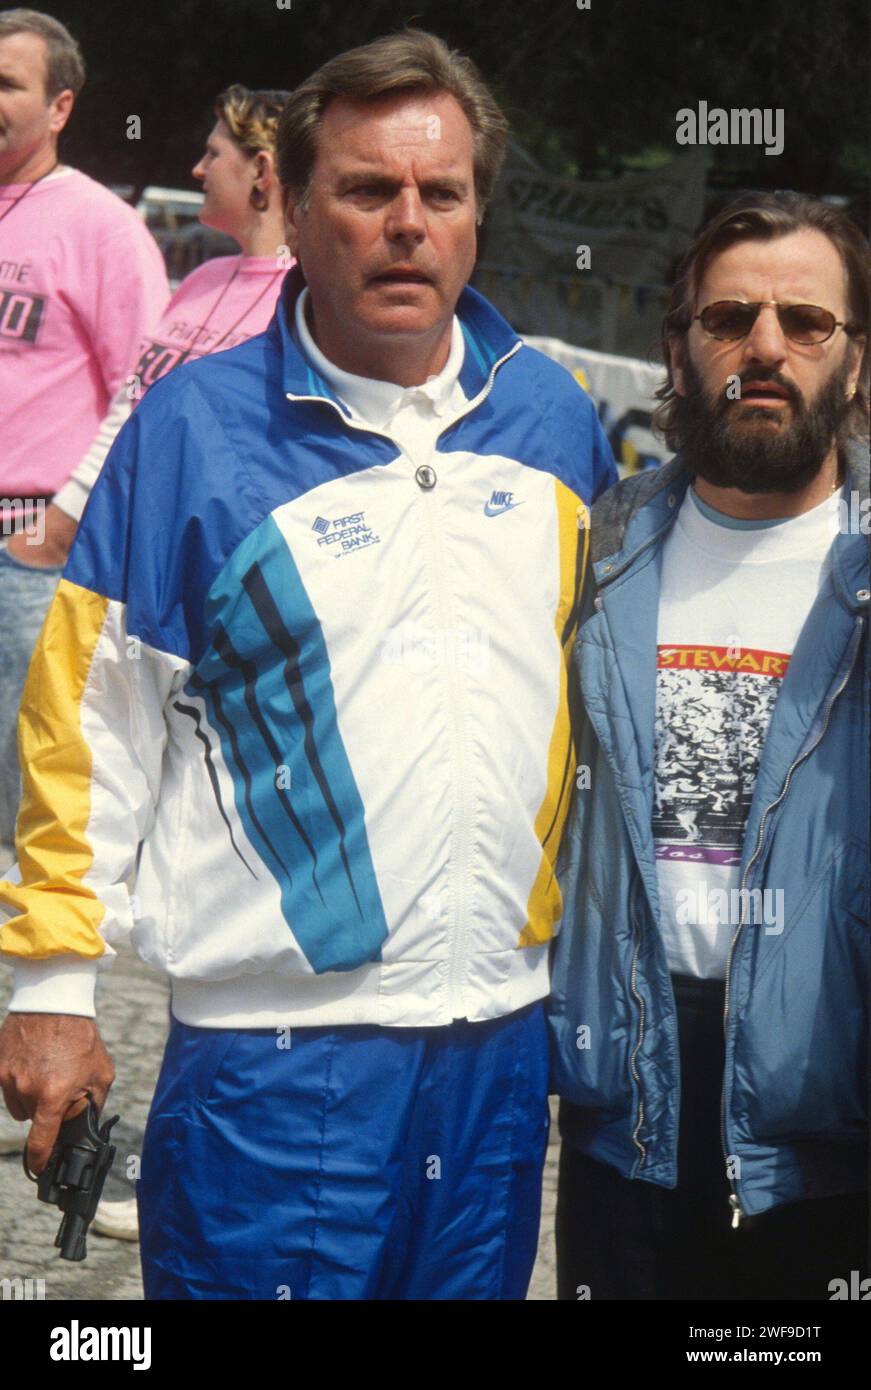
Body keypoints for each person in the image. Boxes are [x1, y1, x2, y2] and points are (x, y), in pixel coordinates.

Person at [0, 28, 617, 1300]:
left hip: (496, 1051)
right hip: (270, 1069)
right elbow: (88, 724)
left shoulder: (553, 421)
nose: (407, 224)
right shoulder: (192, 429)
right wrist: (55, 986)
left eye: (439, 195)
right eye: (365, 190)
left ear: (477, 215)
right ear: (295, 196)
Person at [549, 191, 869, 1300]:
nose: (766, 346)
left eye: (806, 321)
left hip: (829, 1122)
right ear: (674, 352)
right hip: (625, 1111)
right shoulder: (587, 554)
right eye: (729, 317)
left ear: (856, 360)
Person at [0, 7, 169, 869]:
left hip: (24, 552)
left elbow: (144, 399)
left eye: (7, 83)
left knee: (25, 806)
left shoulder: (103, 229)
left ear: (59, 107)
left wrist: (61, 529)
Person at [48, 83, 291, 530]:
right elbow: (128, 409)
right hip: (119, 542)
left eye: (213, 155)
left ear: (261, 170)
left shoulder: (308, 299)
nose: (198, 170)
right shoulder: (203, 278)